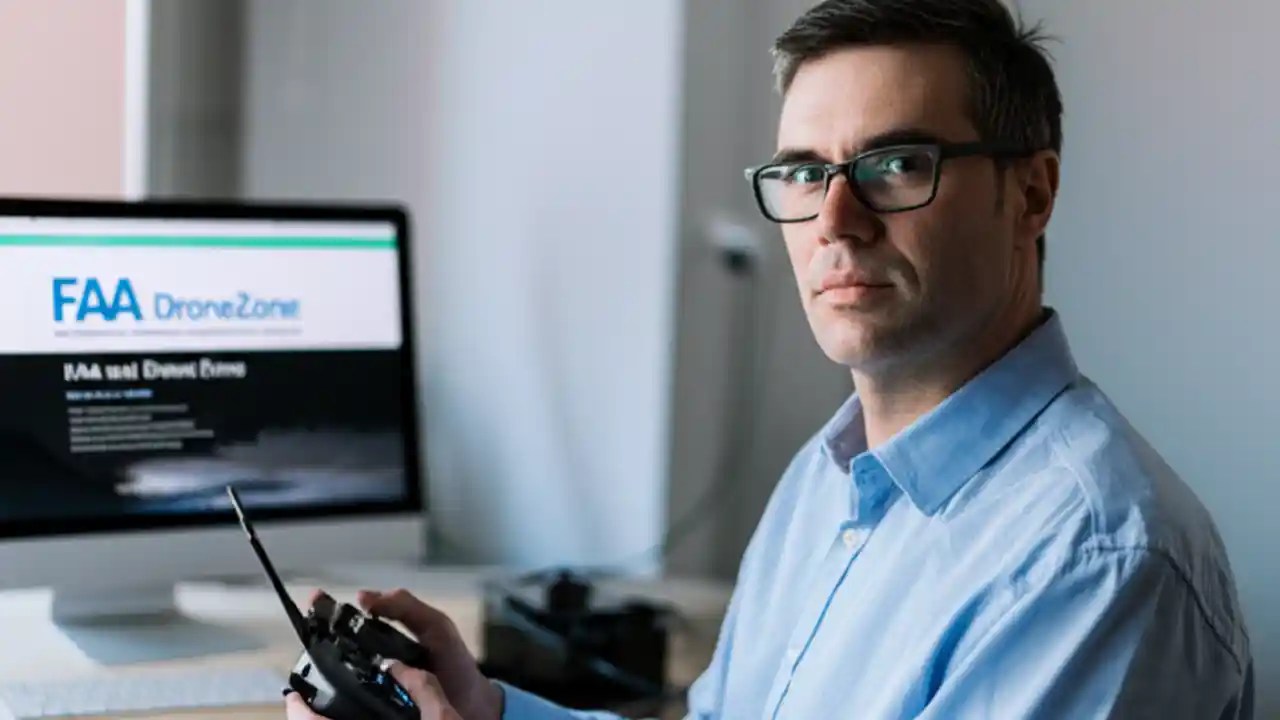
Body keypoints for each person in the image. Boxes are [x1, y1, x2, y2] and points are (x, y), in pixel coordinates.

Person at [287, 1, 1255, 718]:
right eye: (802, 172)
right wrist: (490, 713)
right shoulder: (828, 481)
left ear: (1031, 194)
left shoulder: (1098, 561)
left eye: (895, 165)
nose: (834, 219)